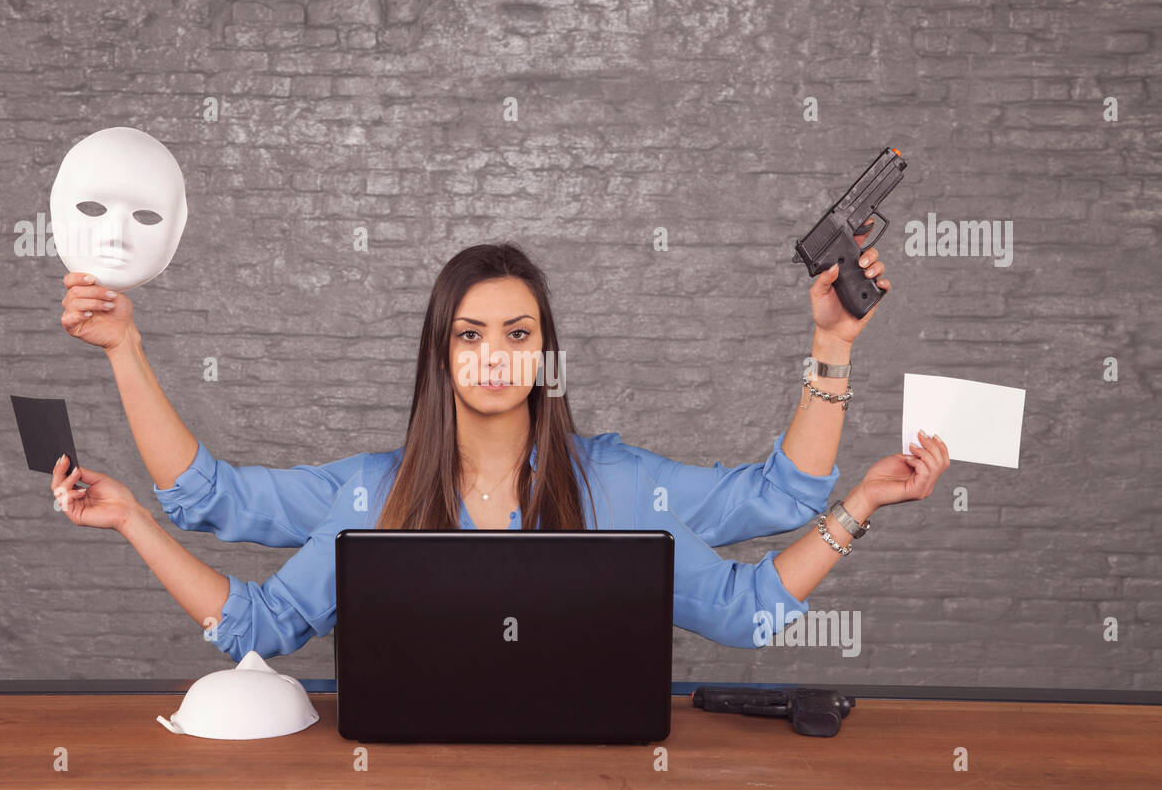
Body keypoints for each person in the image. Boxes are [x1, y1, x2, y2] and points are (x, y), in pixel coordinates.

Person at [51, 242, 948, 661]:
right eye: (470, 334)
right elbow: (216, 520)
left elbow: (770, 545)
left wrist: (836, 362)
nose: (492, 355)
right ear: (442, 354)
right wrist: (127, 366)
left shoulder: (620, 485)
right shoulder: (374, 496)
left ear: (545, 355)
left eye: (517, 333)